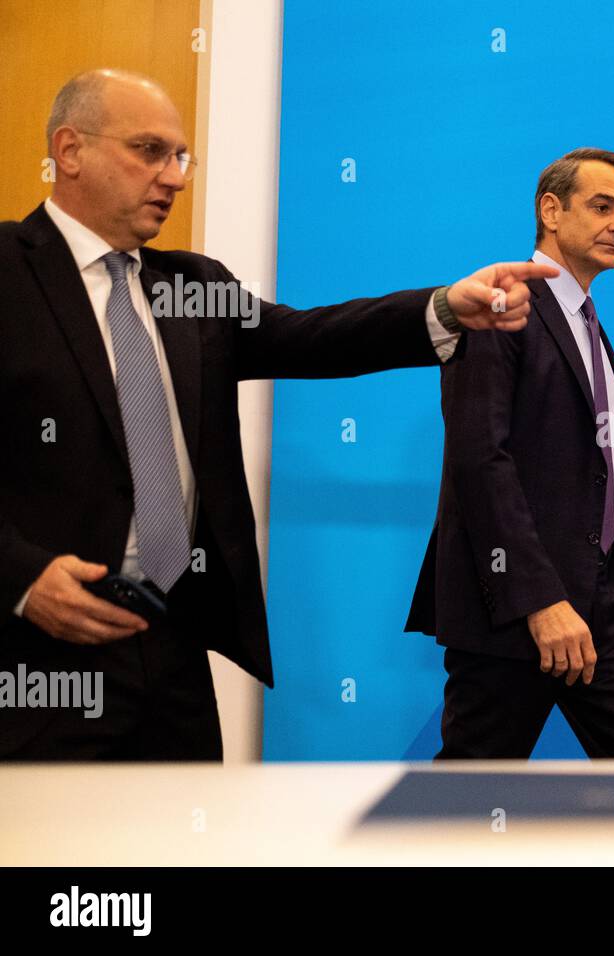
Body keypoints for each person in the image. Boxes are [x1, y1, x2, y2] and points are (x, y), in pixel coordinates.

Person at [0, 69, 556, 760]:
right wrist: (19, 576)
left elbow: (310, 337)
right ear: (70, 149)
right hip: (32, 660)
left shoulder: (192, 285)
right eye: (149, 151)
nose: (173, 176)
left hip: (171, 646)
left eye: (181, 157)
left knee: (183, 849)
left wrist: (444, 307)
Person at [407, 148, 614, 758]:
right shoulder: (499, 305)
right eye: (602, 207)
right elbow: (480, 463)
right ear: (550, 212)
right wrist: (539, 600)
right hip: (514, 611)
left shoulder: (587, 321)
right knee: (468, 810)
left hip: (601, 608)